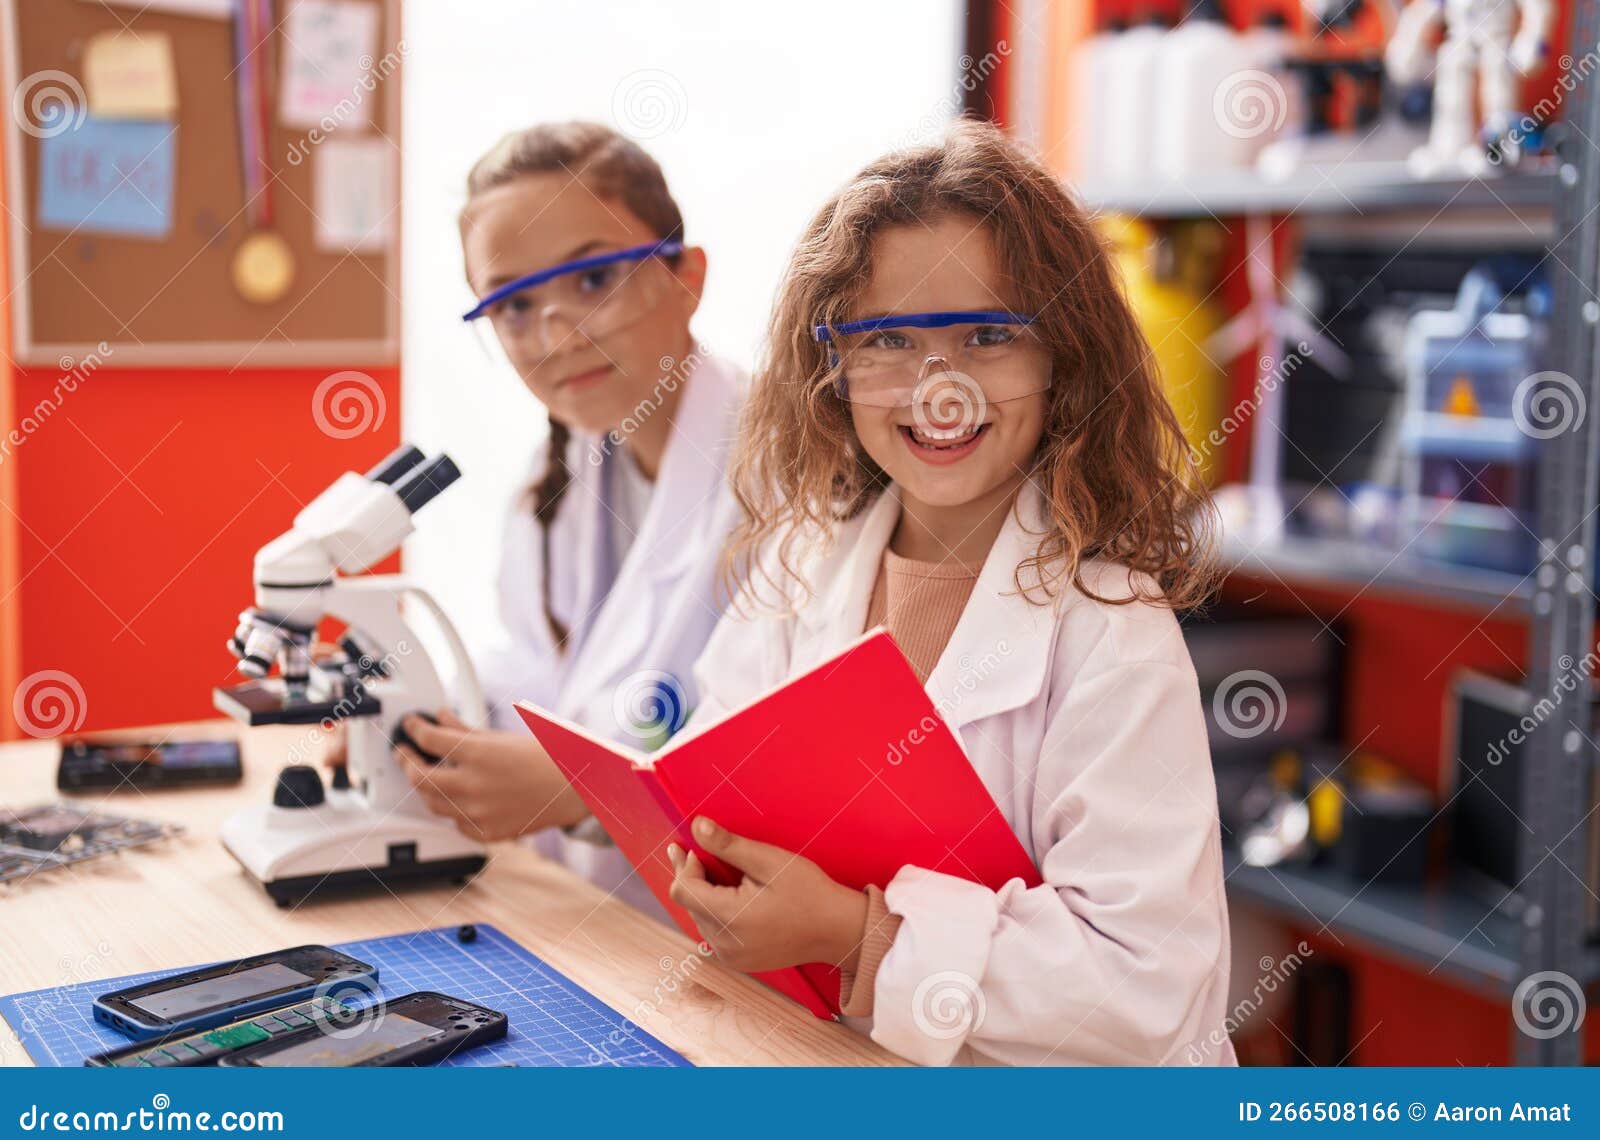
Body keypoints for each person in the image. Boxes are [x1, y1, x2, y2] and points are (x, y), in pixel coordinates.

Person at [664, 119, 1233, 1065]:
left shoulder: (1112, 629)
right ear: (833, 366)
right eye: (888, 337)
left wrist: (858, 934)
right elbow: (711, 789)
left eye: (988, 334)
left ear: (1063, 357)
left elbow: (1145, 990)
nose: (940, 389)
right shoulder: (802, 566)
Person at [388, 121, 746, 914]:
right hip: (592, 918)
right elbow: (535, 677)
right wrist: (418, 727)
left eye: (592, 279)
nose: (557, 333)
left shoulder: (789, 477)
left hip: (735, 956)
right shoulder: (555, 481)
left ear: (686, 276)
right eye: (515, 304)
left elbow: (794, 765)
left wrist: (579, 791)